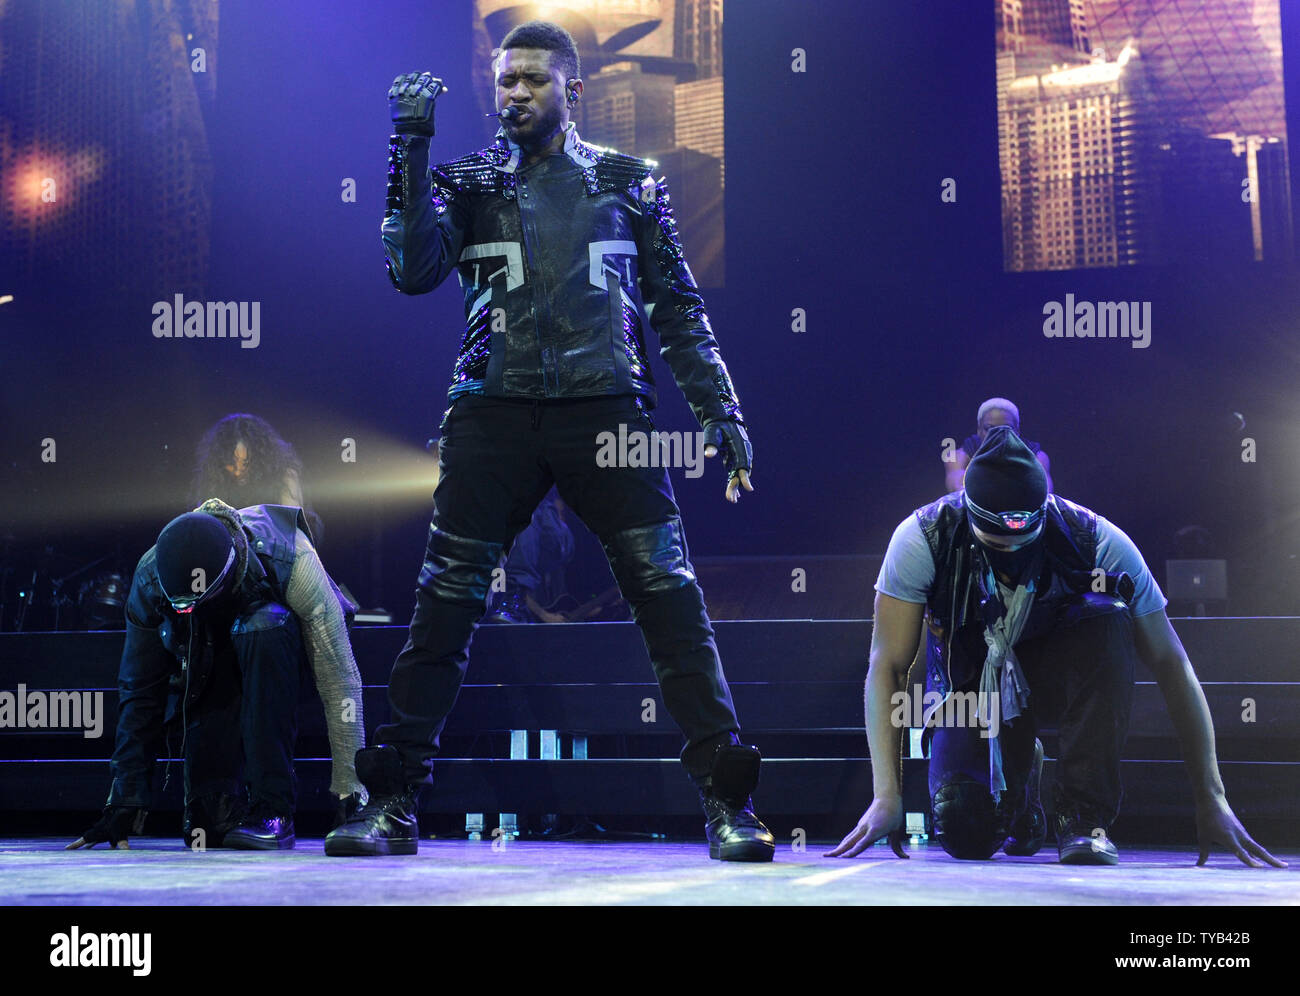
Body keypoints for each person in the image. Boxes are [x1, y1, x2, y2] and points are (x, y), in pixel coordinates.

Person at [327, 20, 773, 861]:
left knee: (669, 597)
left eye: (534, 79)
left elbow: (677, 307)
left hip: (608, 411)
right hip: (492, 412)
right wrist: (409, 148)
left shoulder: (630, 180)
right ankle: (392, 803)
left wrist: (720, 410)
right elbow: (412, 272)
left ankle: (728, 802)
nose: (517, 93)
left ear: (575, 89)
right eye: (506, 80)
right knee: (445, 600)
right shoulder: (465, 181)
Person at [829, 426, 1284, 867]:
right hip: (970, 689)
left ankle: (1084, 816)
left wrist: (1212, 797)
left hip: (1059, 683)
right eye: (996, 545)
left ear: (1042, 513)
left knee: (1109, 613)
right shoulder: (924, 537)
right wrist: (886, 796)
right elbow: (888, 664)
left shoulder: (1096, 539)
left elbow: (1170, 662)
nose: (1009, 558)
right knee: (965, 829)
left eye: (1021, 544)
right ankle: (1022, 787)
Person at [67, 499, 365, 850]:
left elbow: (339, 678)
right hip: (209, 665)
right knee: (207, 830)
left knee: (261, 625)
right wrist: (125, 798)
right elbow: (140, 688)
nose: (187, 610)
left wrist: (351, 791)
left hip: (279, 659)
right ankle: (222, 801)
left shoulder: (292, 558)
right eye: (181, 605)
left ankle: (273, 810)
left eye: (194, 602)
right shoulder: (151, 575)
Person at [190, 413, 324, 542]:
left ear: (261, 460)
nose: (238, 471)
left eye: (246, 463)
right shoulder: (213, 480)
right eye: (231, 464)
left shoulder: (284, 476)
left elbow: (291, 533)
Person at [945, 398, 1052, 494]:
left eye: (1006, 429)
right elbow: (957, 489)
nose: (997, 435)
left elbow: (1044, 493)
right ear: (979, 430)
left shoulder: (1037, 456)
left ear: (1017, 431)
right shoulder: (957, 456)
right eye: (990, 429)